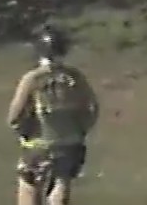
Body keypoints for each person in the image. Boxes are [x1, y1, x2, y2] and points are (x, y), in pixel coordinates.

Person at [7, 25, 99, 205]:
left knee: (28, 186)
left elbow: (14, 117)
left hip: (39, 146)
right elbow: (93, 107)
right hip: (70, 145)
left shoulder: (33, 79)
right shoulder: (75, 77)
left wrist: (24, 132)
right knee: (61, 185)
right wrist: (80, 130)